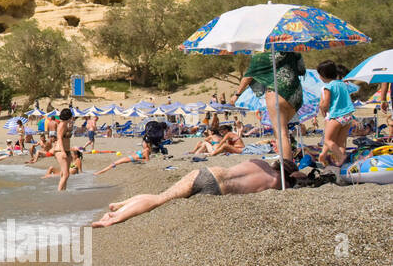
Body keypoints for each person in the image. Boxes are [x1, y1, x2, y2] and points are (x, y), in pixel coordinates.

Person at [93, 158, 299, 226]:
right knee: (159, 200)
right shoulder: (277, 184)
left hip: (209, 173)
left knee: (162, 196)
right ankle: (114, 217)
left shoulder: (260, 163)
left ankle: (121, 206)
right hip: (219, 190)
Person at [238, 50, 305, 161]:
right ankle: (288, 160)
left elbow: (248, 76)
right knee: (284, 131)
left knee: (280, 132)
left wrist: (237, 94)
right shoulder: (294, 52)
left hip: (276, 92)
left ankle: (287, 166)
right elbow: (301, 70)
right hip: (296, 93)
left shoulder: (262, 56)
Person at [317, 60, 357, 166]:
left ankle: (342, 157)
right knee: (340, 142)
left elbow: (326, 103)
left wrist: (322, 108)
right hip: (348, 117)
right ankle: (340, 164)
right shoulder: (343, 84)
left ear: (322, 75)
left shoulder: (328, 87)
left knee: (328, 140)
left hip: (336, 116)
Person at [53, 109, 74, 191]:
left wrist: (70, 127)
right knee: (66, 174)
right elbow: (60, 138)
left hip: (66, 150)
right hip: (60, 150)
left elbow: (67, 135)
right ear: (68, 116)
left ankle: (63, 191)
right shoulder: (61, 125)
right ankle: (59, 192)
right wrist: (63, 152)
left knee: (64, 173)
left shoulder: (66, 124)